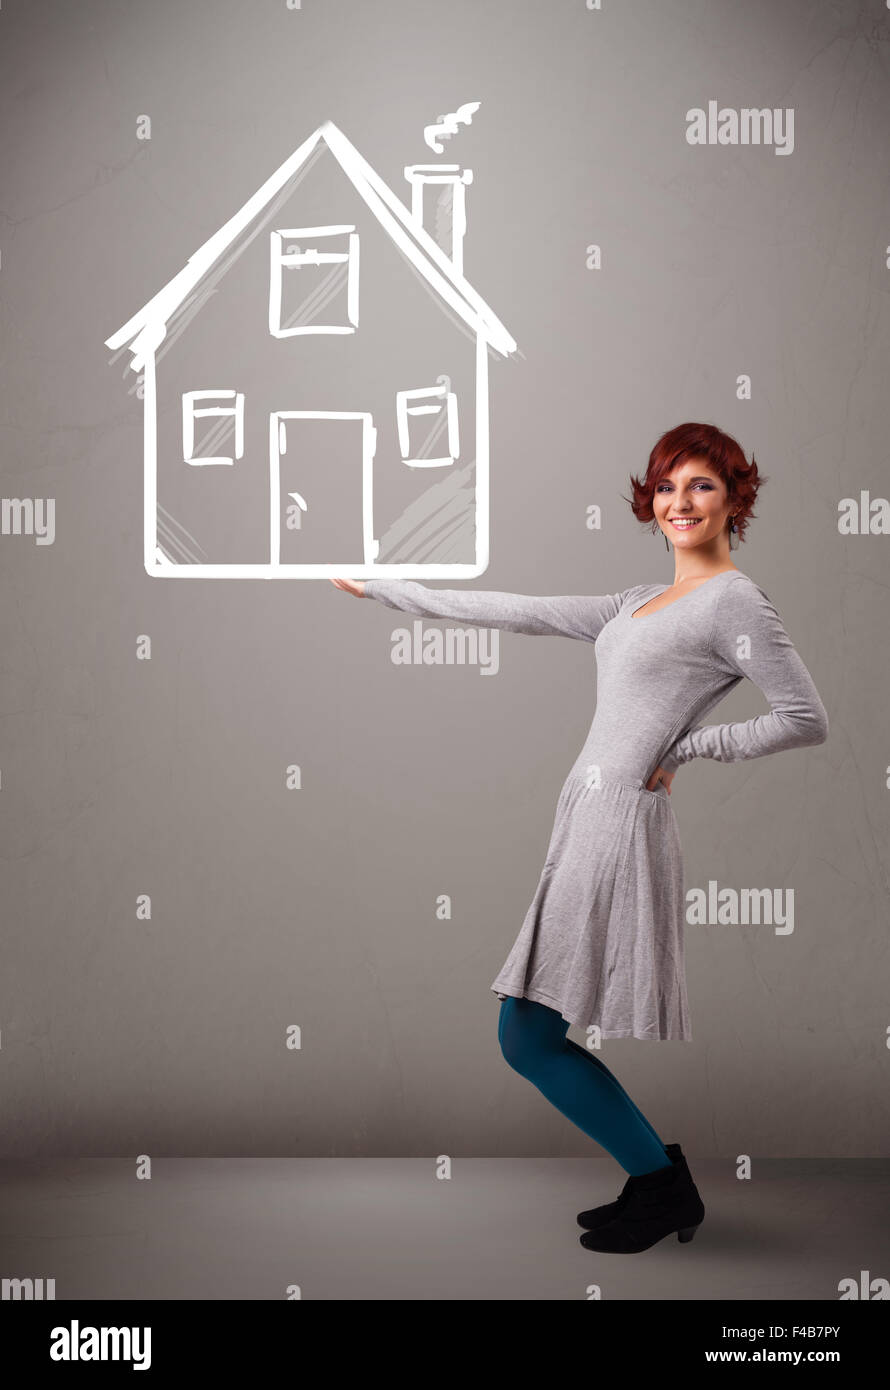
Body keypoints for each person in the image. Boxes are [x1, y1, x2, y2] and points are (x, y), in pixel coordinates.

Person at [330, 422, 829, 1254]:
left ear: (735, 498)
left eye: (702, 486)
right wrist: (390, 589)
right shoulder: (636, 603)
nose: (681, 502)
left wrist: (695, 748)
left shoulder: (734, 602)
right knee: (537, 1032)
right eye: (668, 486)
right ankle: (653, 1179)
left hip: (621, 825)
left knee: (525, 1034)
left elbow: (806, 719)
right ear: (651, 498)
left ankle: (662, 1184)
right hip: (583, 819)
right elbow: (518, 611)